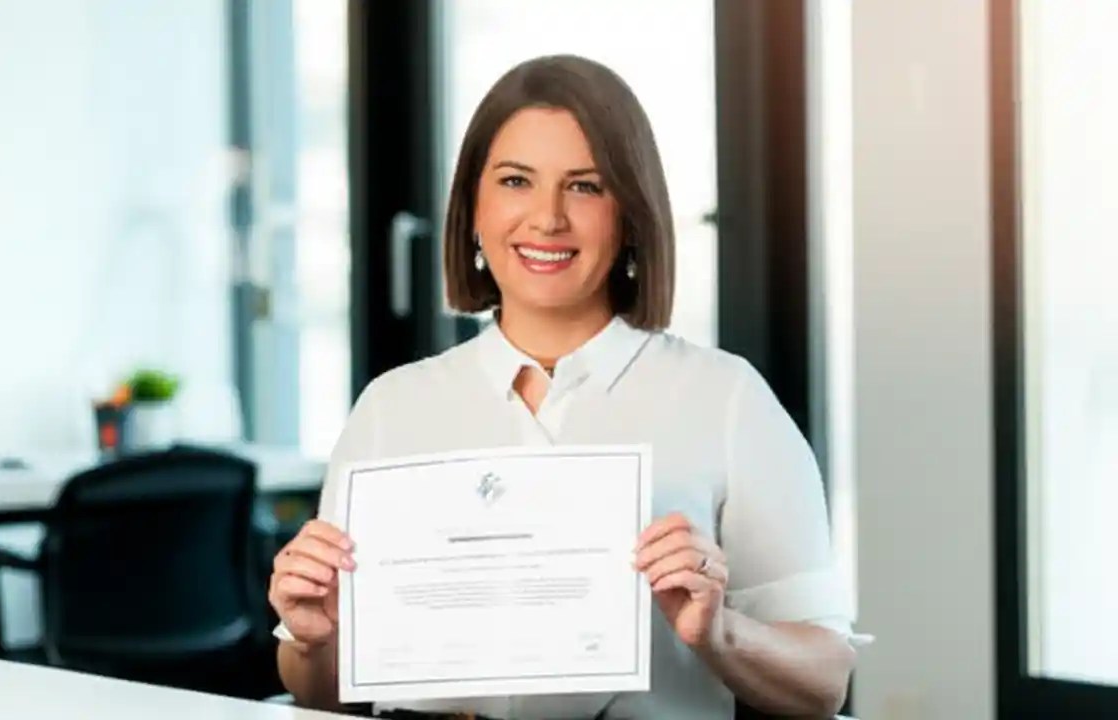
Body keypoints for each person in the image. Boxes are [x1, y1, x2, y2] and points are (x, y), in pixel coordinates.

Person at [268, 54, 862, 719]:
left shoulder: (726, 399)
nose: (547, 218)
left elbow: (823, 684)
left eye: (585, 186)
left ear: (631, 214)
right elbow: (318, 693)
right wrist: (317, 638)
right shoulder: (392, 407)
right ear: (473, 209)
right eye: (517, 180)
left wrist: (718, 632)